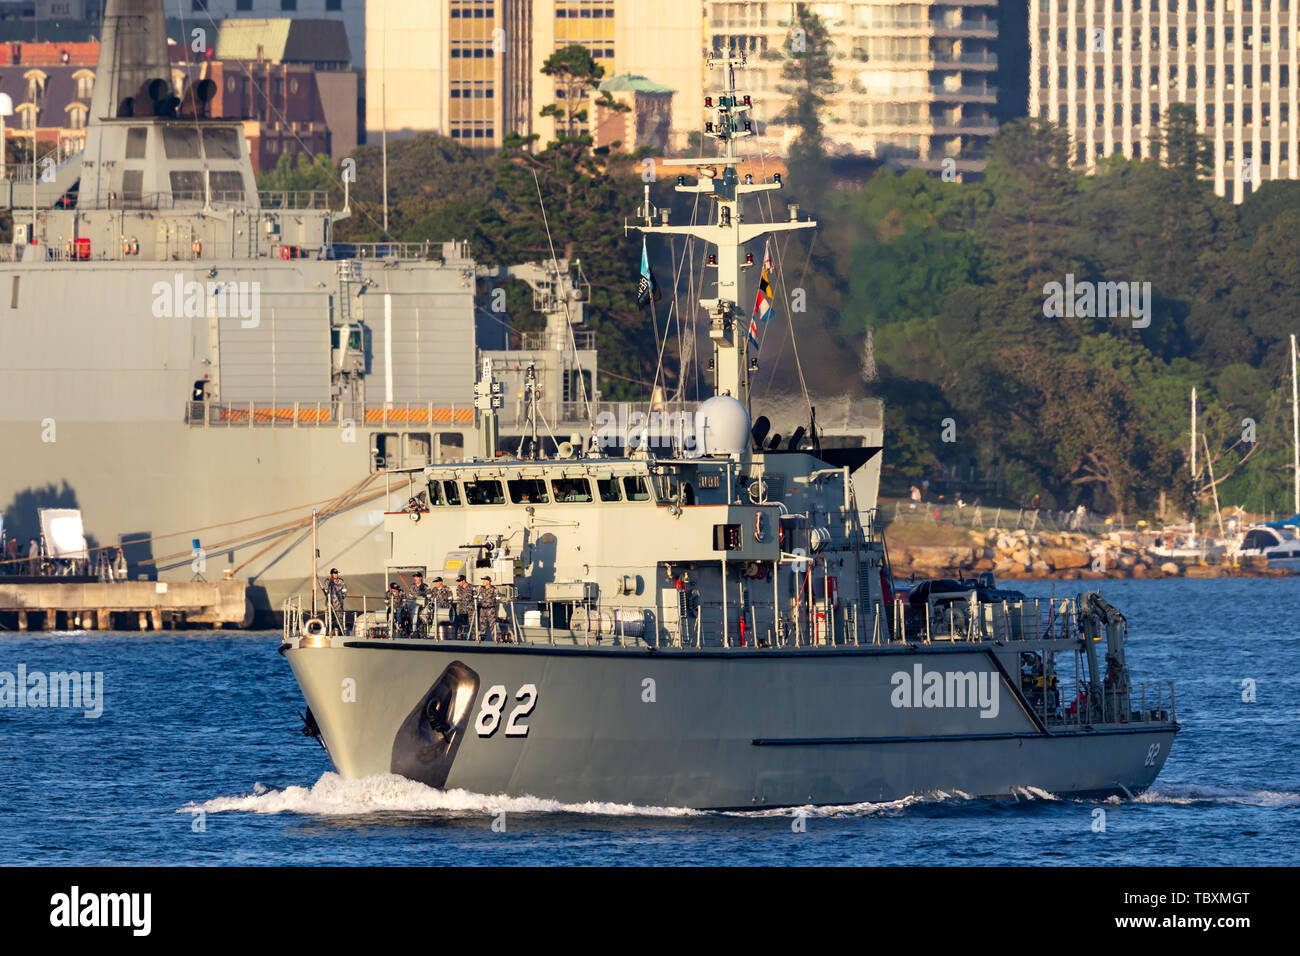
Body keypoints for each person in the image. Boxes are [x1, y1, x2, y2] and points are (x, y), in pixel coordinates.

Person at [322, 568, 348, 634]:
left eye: (337, 573)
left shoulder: (341, 581)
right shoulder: (328, 582)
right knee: (330, 619)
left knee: (339, 620)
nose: (336, 575)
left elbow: (344, 591)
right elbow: (325, 590)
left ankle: (341, 633)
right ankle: (329, 632)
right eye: (335, 573)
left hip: (339, 604)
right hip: (330, 604)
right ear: (331, 574)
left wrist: (341, 597)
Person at [477, 575, 501, 643]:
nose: (483, 582)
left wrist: (492, 605)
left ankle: (495, 639)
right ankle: (482, 639)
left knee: (492, 625)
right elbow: (479, 598)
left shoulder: (494, 589)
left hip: (490, 609)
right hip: (483, 609)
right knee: (482, 624)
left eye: (484, 580)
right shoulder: (481, 589)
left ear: (488, 581)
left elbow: (498, 599)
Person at [454, 574, 474, 639]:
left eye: (460, 581)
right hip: (461, 608)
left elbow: (474, 597)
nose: (459, 583)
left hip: (469, 608)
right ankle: (460, 637)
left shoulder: (471, 587)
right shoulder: (458, 587)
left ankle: (474, 637)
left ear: (464, 581)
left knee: (472, 623)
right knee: (460, 624)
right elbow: (460, 596)